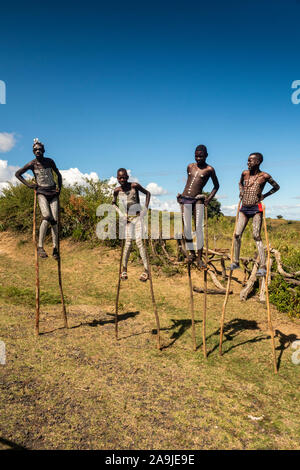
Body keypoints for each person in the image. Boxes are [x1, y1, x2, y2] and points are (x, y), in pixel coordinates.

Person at [231, 152, 280, 276]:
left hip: (256, 208)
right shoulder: (245, 174)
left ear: (257, 162)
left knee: (256, 235)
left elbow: (276, 187)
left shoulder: (264, 176)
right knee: (237, 234)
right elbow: (240, 183)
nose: (248, 163)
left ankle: (263, 266)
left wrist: (264, 195)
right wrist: (241, 192)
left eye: (250, 161)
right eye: (247, 161)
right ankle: (235, 261)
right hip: (244, 208)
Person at [15, 138, 62, 260]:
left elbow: (59, 174)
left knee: (55, 220)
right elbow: (18, 174)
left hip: (53, 192)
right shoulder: (32, 164)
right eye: (35, 150)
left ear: (44, 150)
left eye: (40, 149)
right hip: (41, 192)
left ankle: (55, 248)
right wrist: (29, 185)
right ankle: (40, 246)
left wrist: (59, 189)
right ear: (33, 151)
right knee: (46, 217)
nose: (38, 151)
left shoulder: (49, 161)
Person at [177, 145, 219, 268]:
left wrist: (208, 199)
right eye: (196, 156)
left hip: (198, 200)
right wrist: (181, 197)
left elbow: (216, 186)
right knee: (187, 229)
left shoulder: (209, 169)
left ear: (206, 155)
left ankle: (200, 258)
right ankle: (192, 254)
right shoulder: (190, 166)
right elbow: (189, 183)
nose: (198, 158)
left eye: (201, 156)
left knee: (199, 229)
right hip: (185, 199)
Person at [112, 168, 150, 281]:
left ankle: (146, 270)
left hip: (138, 218)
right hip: (127, 219)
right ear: (117, 178)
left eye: (124, 177)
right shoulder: (117, 190)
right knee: (128, 244)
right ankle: (124, 269)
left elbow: (148, 193)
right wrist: (121, 214)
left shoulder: (134, 186)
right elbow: (113, 203)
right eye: (120, 178)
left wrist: (145, 209)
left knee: (139, 242)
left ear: (127, 177)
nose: (122, 179)